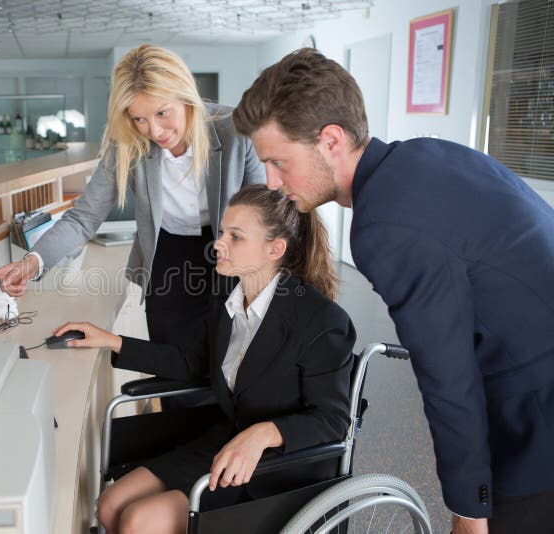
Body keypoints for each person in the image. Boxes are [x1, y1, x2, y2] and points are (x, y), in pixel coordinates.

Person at [233, 48, 554, 534]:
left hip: (538, 407)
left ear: (331, 140)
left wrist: (468, 512)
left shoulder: (383, 225)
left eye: (279, 162)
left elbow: (448, 377)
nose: (273, 183)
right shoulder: (425, 155)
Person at [54, 184, 356, 533]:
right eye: (222, 232)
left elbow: (332, 419)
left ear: (275, 248)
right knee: (110, 505)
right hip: (226, 442)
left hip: (281, 466)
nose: (218, 244)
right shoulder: (227, 294)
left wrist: (263, 434)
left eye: (235, 237)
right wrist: (112, 341)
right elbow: (192, 362)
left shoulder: (321, 320)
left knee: (138, 521)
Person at [0, 45, 265, 363]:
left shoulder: (235, 129)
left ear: (185, 96)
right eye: (139, 118)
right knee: (170, 362)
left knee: (235, 364)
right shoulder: (128, 141)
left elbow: (265, 213)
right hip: (166, 257)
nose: (154, 131)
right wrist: (32, 262)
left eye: (162, 113)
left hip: (231, 252)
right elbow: (84, 218)